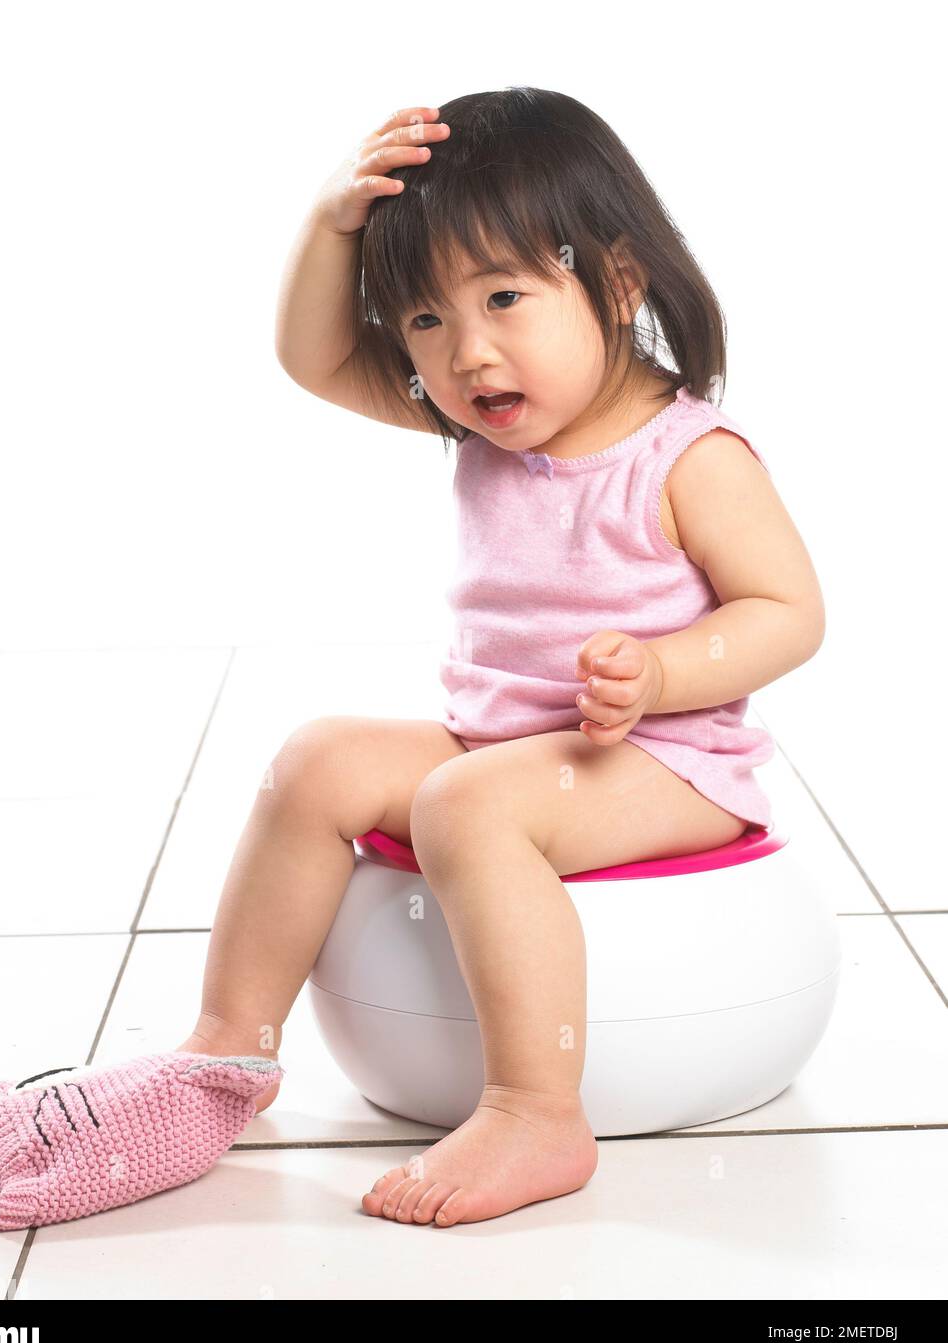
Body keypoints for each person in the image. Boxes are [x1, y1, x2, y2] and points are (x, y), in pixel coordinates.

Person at [176, 88, 826, 1228]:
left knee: (465, 806)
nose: (467, 353)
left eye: (506, 297)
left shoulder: (686, 454)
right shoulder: (483, 414)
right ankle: (225, 1051)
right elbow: (313, 357)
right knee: (319, 757)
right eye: (424, 319)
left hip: (662, 765)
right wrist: (328, 227)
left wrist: (666, 673)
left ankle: (536, 1109)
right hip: (506, 742)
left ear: (617, 281)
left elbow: (787, 609)